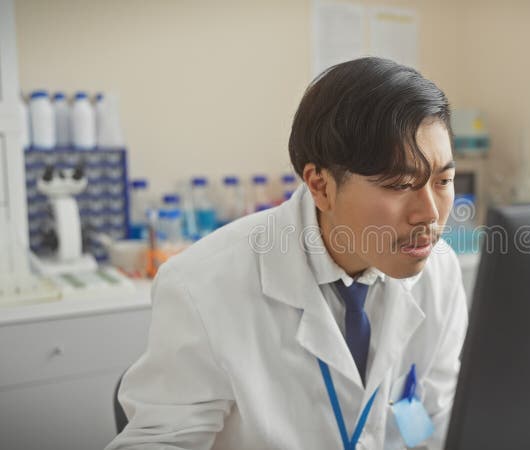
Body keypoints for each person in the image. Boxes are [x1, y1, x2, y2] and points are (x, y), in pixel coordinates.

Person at [107, 57, 468, 450]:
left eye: (443, 181)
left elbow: (432, 419)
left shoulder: (440, 269)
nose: (429, 213)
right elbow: (157, 441)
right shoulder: (202, 285)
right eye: (400, 185)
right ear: (321, 185)